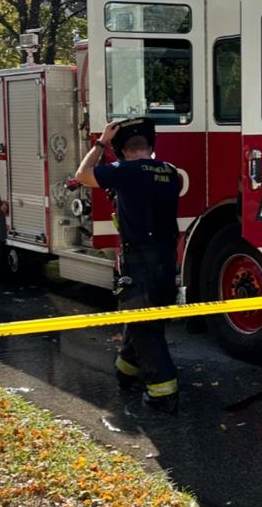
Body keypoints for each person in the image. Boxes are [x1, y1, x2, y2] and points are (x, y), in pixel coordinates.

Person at [75, 118, 182, 413]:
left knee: (146, 328)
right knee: (143, 318)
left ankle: (163, 393)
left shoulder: (126, 171)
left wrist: (100, 143)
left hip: (140, 261)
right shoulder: (171, 173)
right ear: (150, 147)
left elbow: (82, 175)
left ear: (123, 152)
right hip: (165, 259)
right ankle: (126, 372)